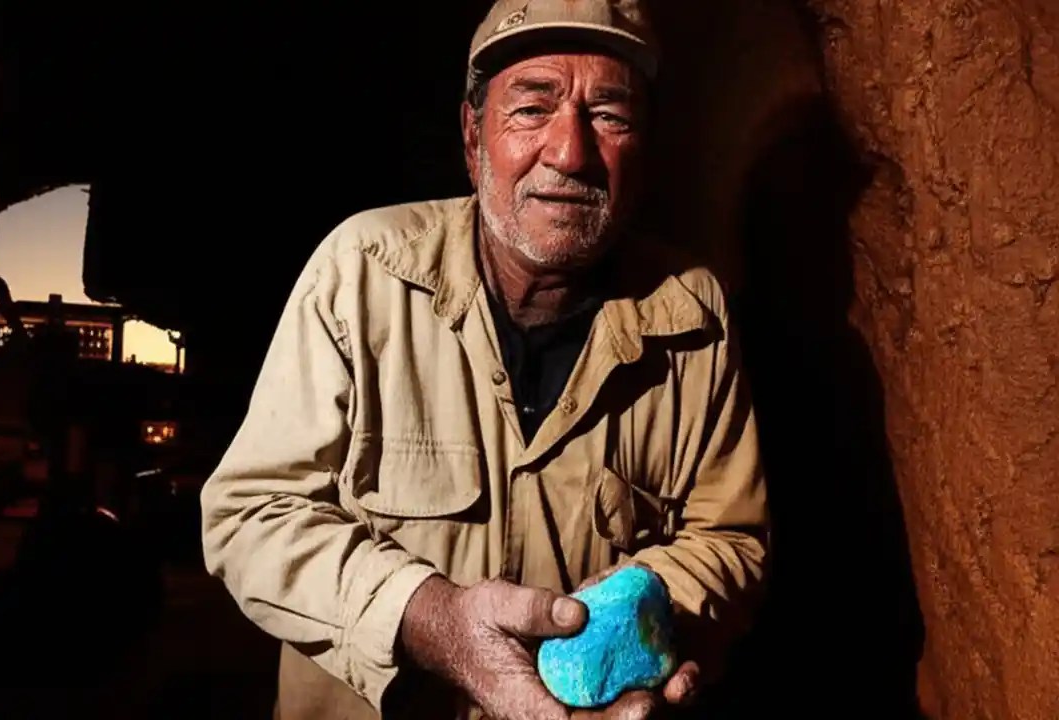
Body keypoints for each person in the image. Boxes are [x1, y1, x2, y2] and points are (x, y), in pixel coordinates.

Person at [200, 1, 769, 718]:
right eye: (532, 108)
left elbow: (730, 536)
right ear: (473, 139)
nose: (570, 152)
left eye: (610, 117)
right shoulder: (361, 274)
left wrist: (641, 630)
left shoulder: (694, 315)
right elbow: (248, 514)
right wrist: (429, 619)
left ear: (646, 151)